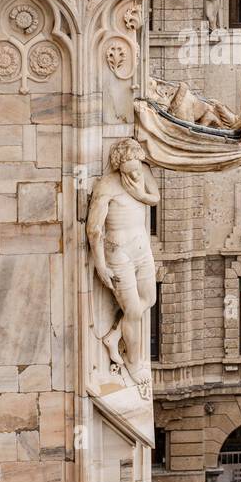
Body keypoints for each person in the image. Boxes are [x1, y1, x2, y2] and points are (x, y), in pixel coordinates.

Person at [86, 138, 159, 392]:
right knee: (135, 312)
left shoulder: (143, 173)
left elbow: (155, 197)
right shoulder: (106, 186)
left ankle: (115, 335)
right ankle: (133, 361)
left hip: (142, 250)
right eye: (129, 171)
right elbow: (94, 230)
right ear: (119, 167)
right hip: (119, 255)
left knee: (149, 299)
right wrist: (100, 265)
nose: (135, 174)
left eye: (137, 168)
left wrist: (140, 193)